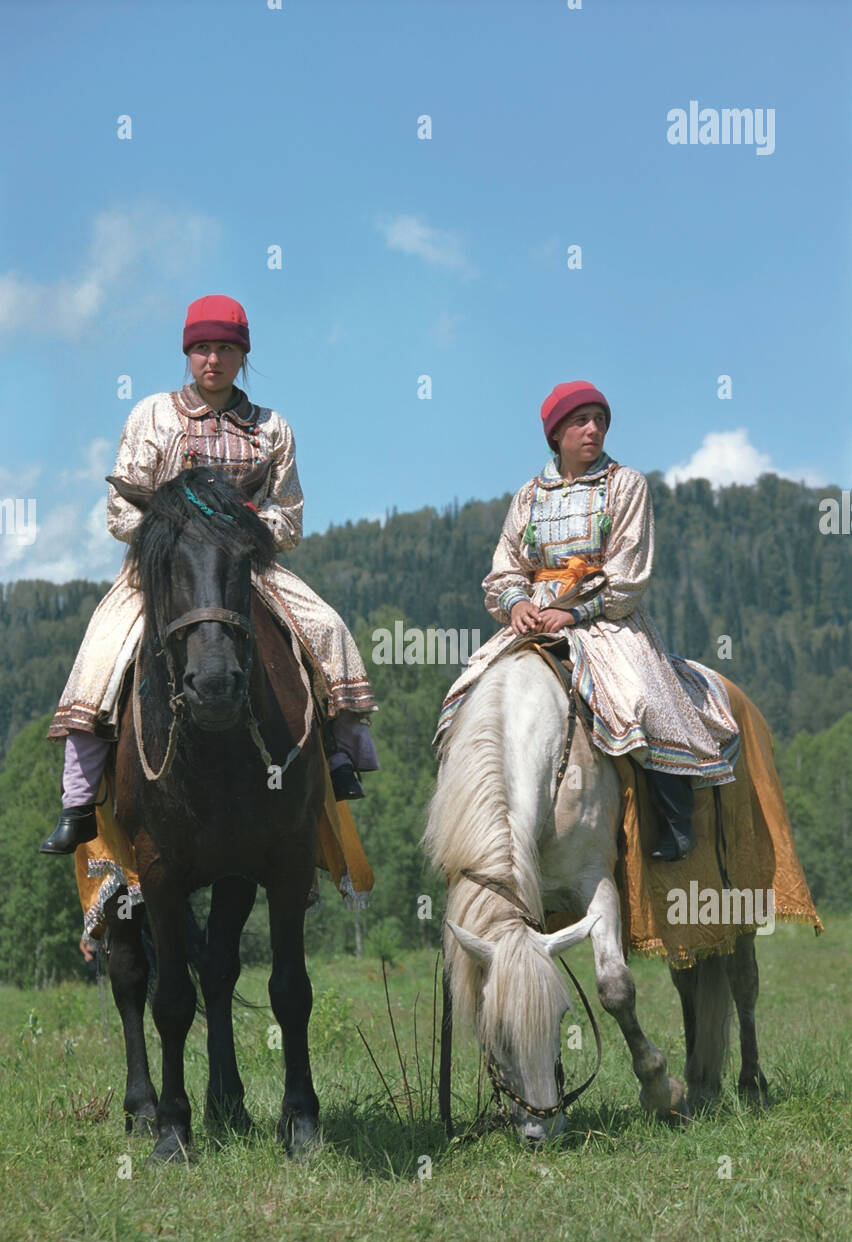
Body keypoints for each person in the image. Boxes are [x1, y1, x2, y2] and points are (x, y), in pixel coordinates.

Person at [40, 295, 378, 855]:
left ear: (242, 355)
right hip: (163, 572)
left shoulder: (273, 428)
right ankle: (78, 802)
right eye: (201, 348)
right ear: (187, 354)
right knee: (100, 650)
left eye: (224, 348)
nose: (212, 359)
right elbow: (120, 510)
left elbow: (288, 517)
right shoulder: (153, 415)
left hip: (246, 569)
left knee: (329, 626)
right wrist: (179, 529)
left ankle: (341, 758)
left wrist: (237, 533)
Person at [435, 380, 741, 860]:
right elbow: (506, 566)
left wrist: (572, 611)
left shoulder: (626, 484)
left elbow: (629, 572)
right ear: (556, 434)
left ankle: (677, 818)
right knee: (466, 695)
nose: (593, 429)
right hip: (534, 615)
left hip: (608, 616)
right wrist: (516, 604)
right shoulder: (528, 496)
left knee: (641, 696)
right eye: (580, 421)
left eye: (599, 420)